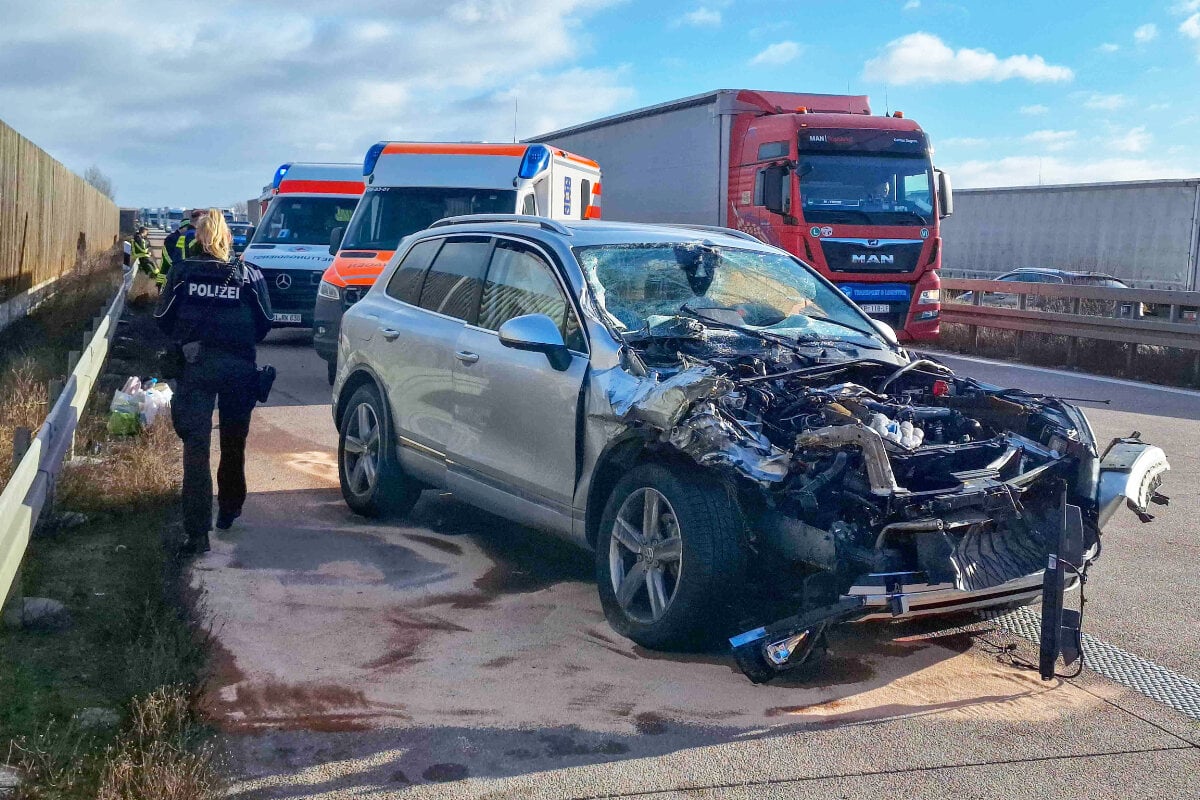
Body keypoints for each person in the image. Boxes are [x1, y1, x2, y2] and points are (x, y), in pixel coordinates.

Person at [154, 209, 273, 555]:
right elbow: (265, 323)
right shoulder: (248, 275)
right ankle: (229, 512)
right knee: (234, 443)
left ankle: (197, 535)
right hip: (239, 368)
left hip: (197, 367)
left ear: (196, 237)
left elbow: (162, 319)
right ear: (227, 238)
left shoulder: (181, 274)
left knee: (196, 449)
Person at [160, 209, 203, 275]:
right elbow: (168, 256)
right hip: (179, 271)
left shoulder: (183, 236)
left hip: (177, 271)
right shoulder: (191, 236)